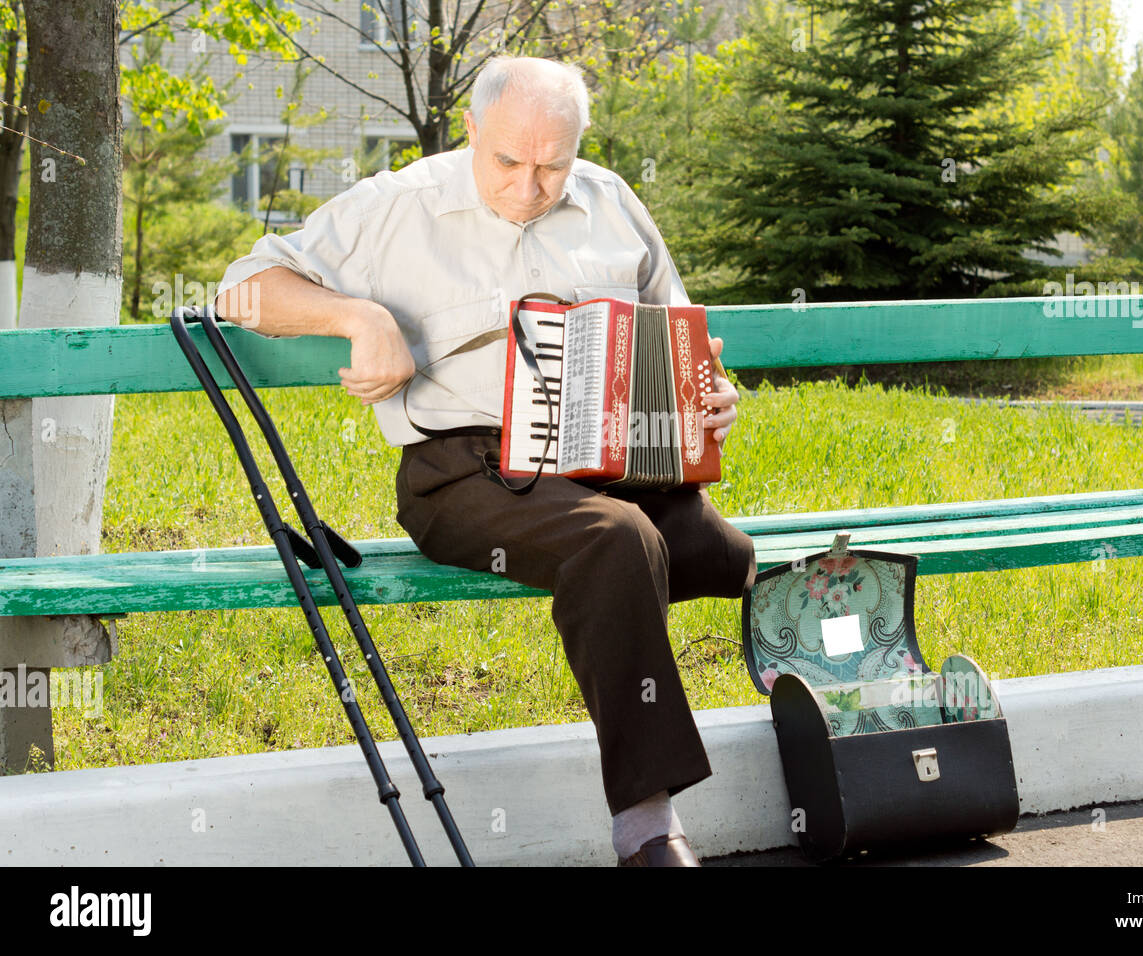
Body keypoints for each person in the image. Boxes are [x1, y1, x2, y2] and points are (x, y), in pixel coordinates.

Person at [214, 56, 756, 867]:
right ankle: (649, 831)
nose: (531, 186)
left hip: (604, 457)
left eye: (552, 165)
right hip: (461, 473)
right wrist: (356, 314)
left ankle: (820, 692)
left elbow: (680, 334)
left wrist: (711, 393)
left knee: (727, 555)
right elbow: (240, 291)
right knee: (617, 544)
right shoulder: (397, 205)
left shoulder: (610, 199)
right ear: (471, 128)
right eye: (508, 161)